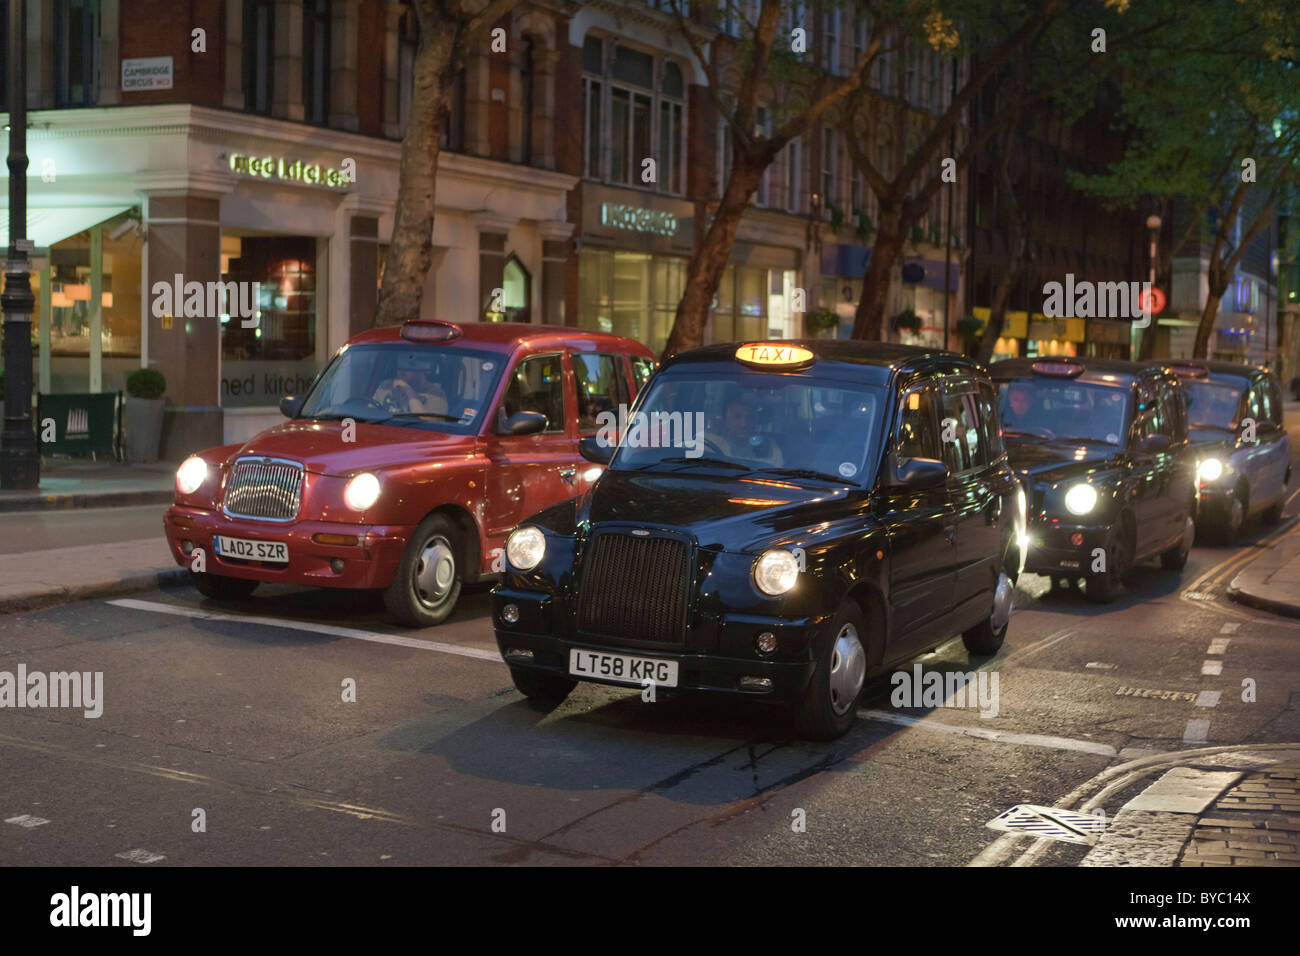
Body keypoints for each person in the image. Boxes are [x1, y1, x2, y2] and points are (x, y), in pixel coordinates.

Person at [709, 393, 783, 466]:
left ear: (755, 421)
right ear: (726, 420)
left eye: (750, 417)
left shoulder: (769, 448)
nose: (744, 424)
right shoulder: (712, 445)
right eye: (737, 417)